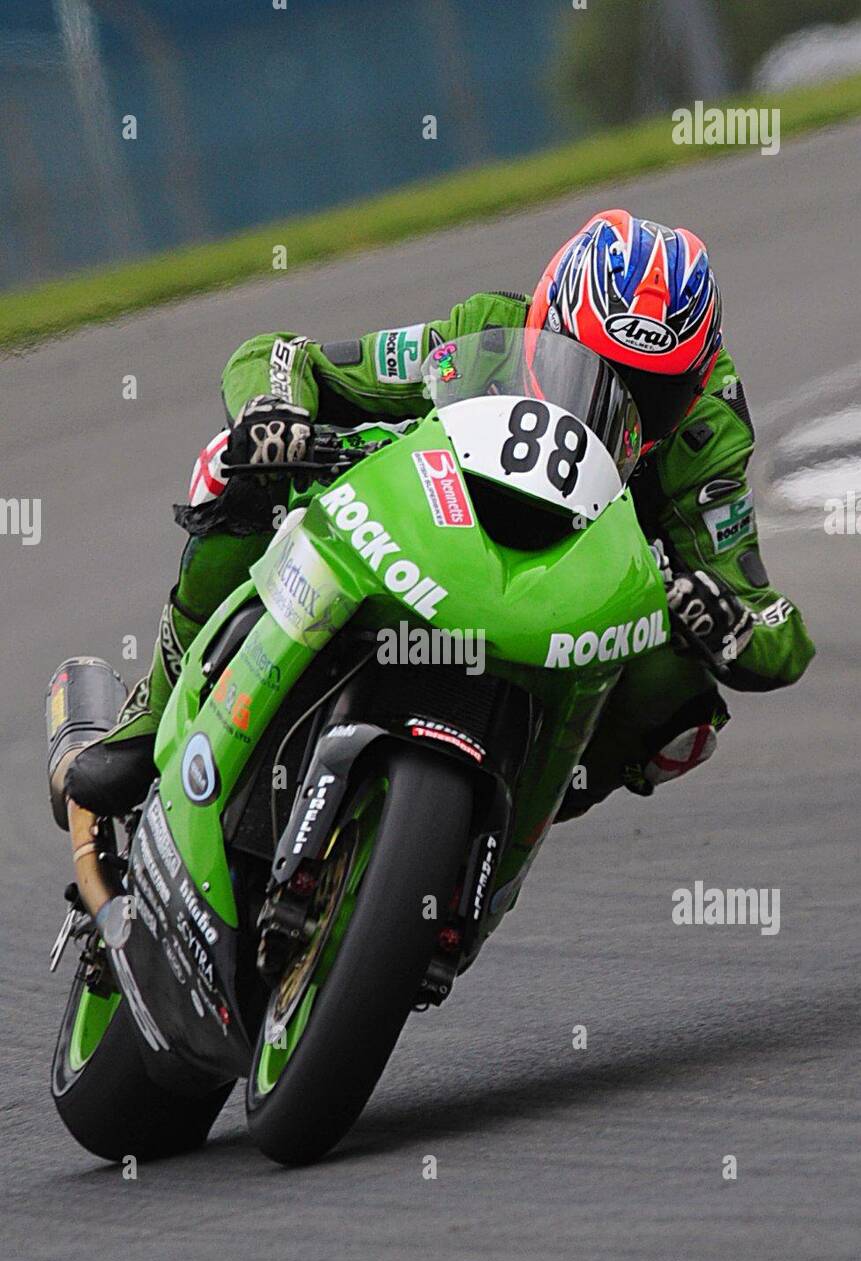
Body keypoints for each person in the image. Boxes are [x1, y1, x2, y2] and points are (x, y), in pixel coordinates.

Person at [66, 209, 814, 820]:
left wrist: (729, 625)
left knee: (682, 711)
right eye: (590, 366)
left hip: (573, 607)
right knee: (233, 465)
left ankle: (513, 807)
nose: (619, 402)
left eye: (652, 391)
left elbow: (771, 620)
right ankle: (153, 708)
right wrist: (271, 411)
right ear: (546, 324)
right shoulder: (486, 334)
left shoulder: (706, 437)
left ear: (698, 379)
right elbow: (286, 356)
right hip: (436, 528)